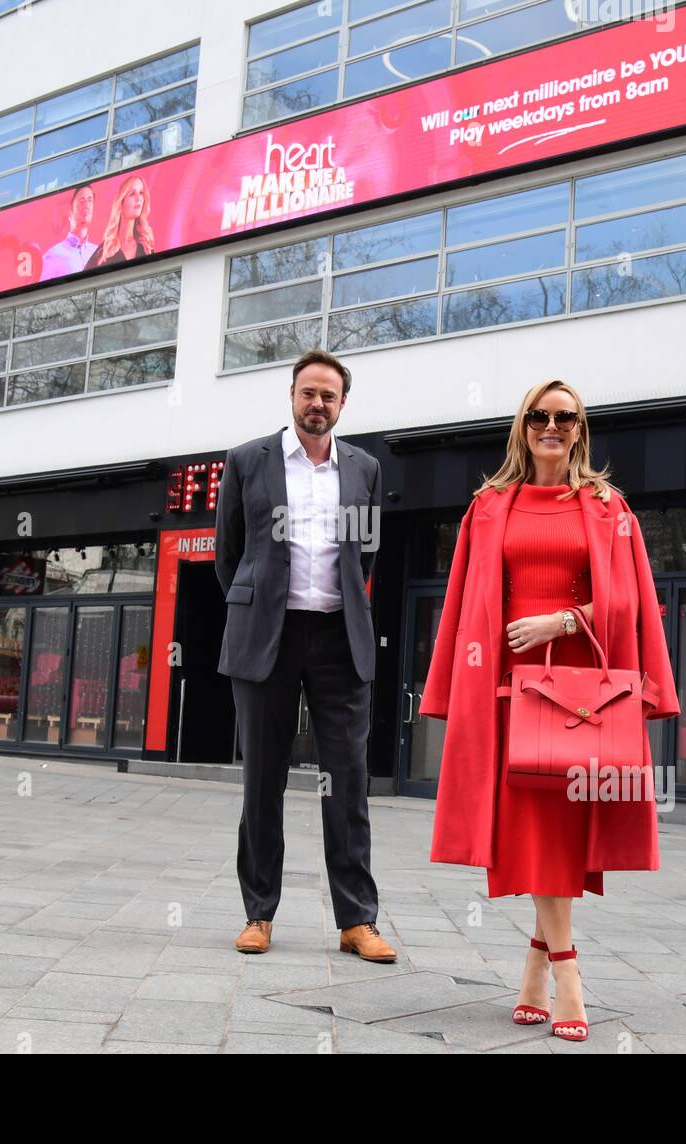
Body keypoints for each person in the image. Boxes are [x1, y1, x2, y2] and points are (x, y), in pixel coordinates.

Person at [420, 379, 679, 1042]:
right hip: (505, 694)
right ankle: (552, 968)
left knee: (557, 832)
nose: (552, 426)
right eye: (540, 415)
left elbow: (629, 604)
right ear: (523, 426)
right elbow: (462, 603)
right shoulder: (487, 506)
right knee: (532, 830)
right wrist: (451, 684)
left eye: (565, 417)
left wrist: (557, 622)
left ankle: (555, 966)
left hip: (578, 695)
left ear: (580, 429)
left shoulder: (606, 505)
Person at [214, 348, 395, 963]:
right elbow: (230, 553)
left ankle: (357, 922)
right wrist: (262, 605)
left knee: (347, 784)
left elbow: (364, 554)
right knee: (261, 781)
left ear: (343, 404)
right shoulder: (247, 461)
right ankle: (258, 913)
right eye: (308, 393)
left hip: (339, 639)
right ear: (292, 396)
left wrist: (339, 601)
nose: (318, 404)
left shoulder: (365, 468)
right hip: (269, 635)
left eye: (330, 396)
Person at [87, 175, 154, 268]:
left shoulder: (146, 247)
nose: (138, 198)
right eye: (132, 194)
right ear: (121, 203)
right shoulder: (104, 251)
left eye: (141, 193)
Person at [38, 182, 98, 281]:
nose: (86, 205)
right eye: (81, 201)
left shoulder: (99, 253)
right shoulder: (53, 255)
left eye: (90, 200)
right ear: (70, 210)